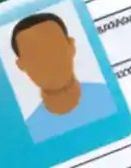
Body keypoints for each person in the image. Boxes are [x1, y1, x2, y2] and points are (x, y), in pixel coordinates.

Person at [11, 13, 116, 142]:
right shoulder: (31, 129)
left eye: (53, 48)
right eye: (35, 54)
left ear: (71, 46)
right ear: (21, 65)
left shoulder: (109, 97)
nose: (49, 61)